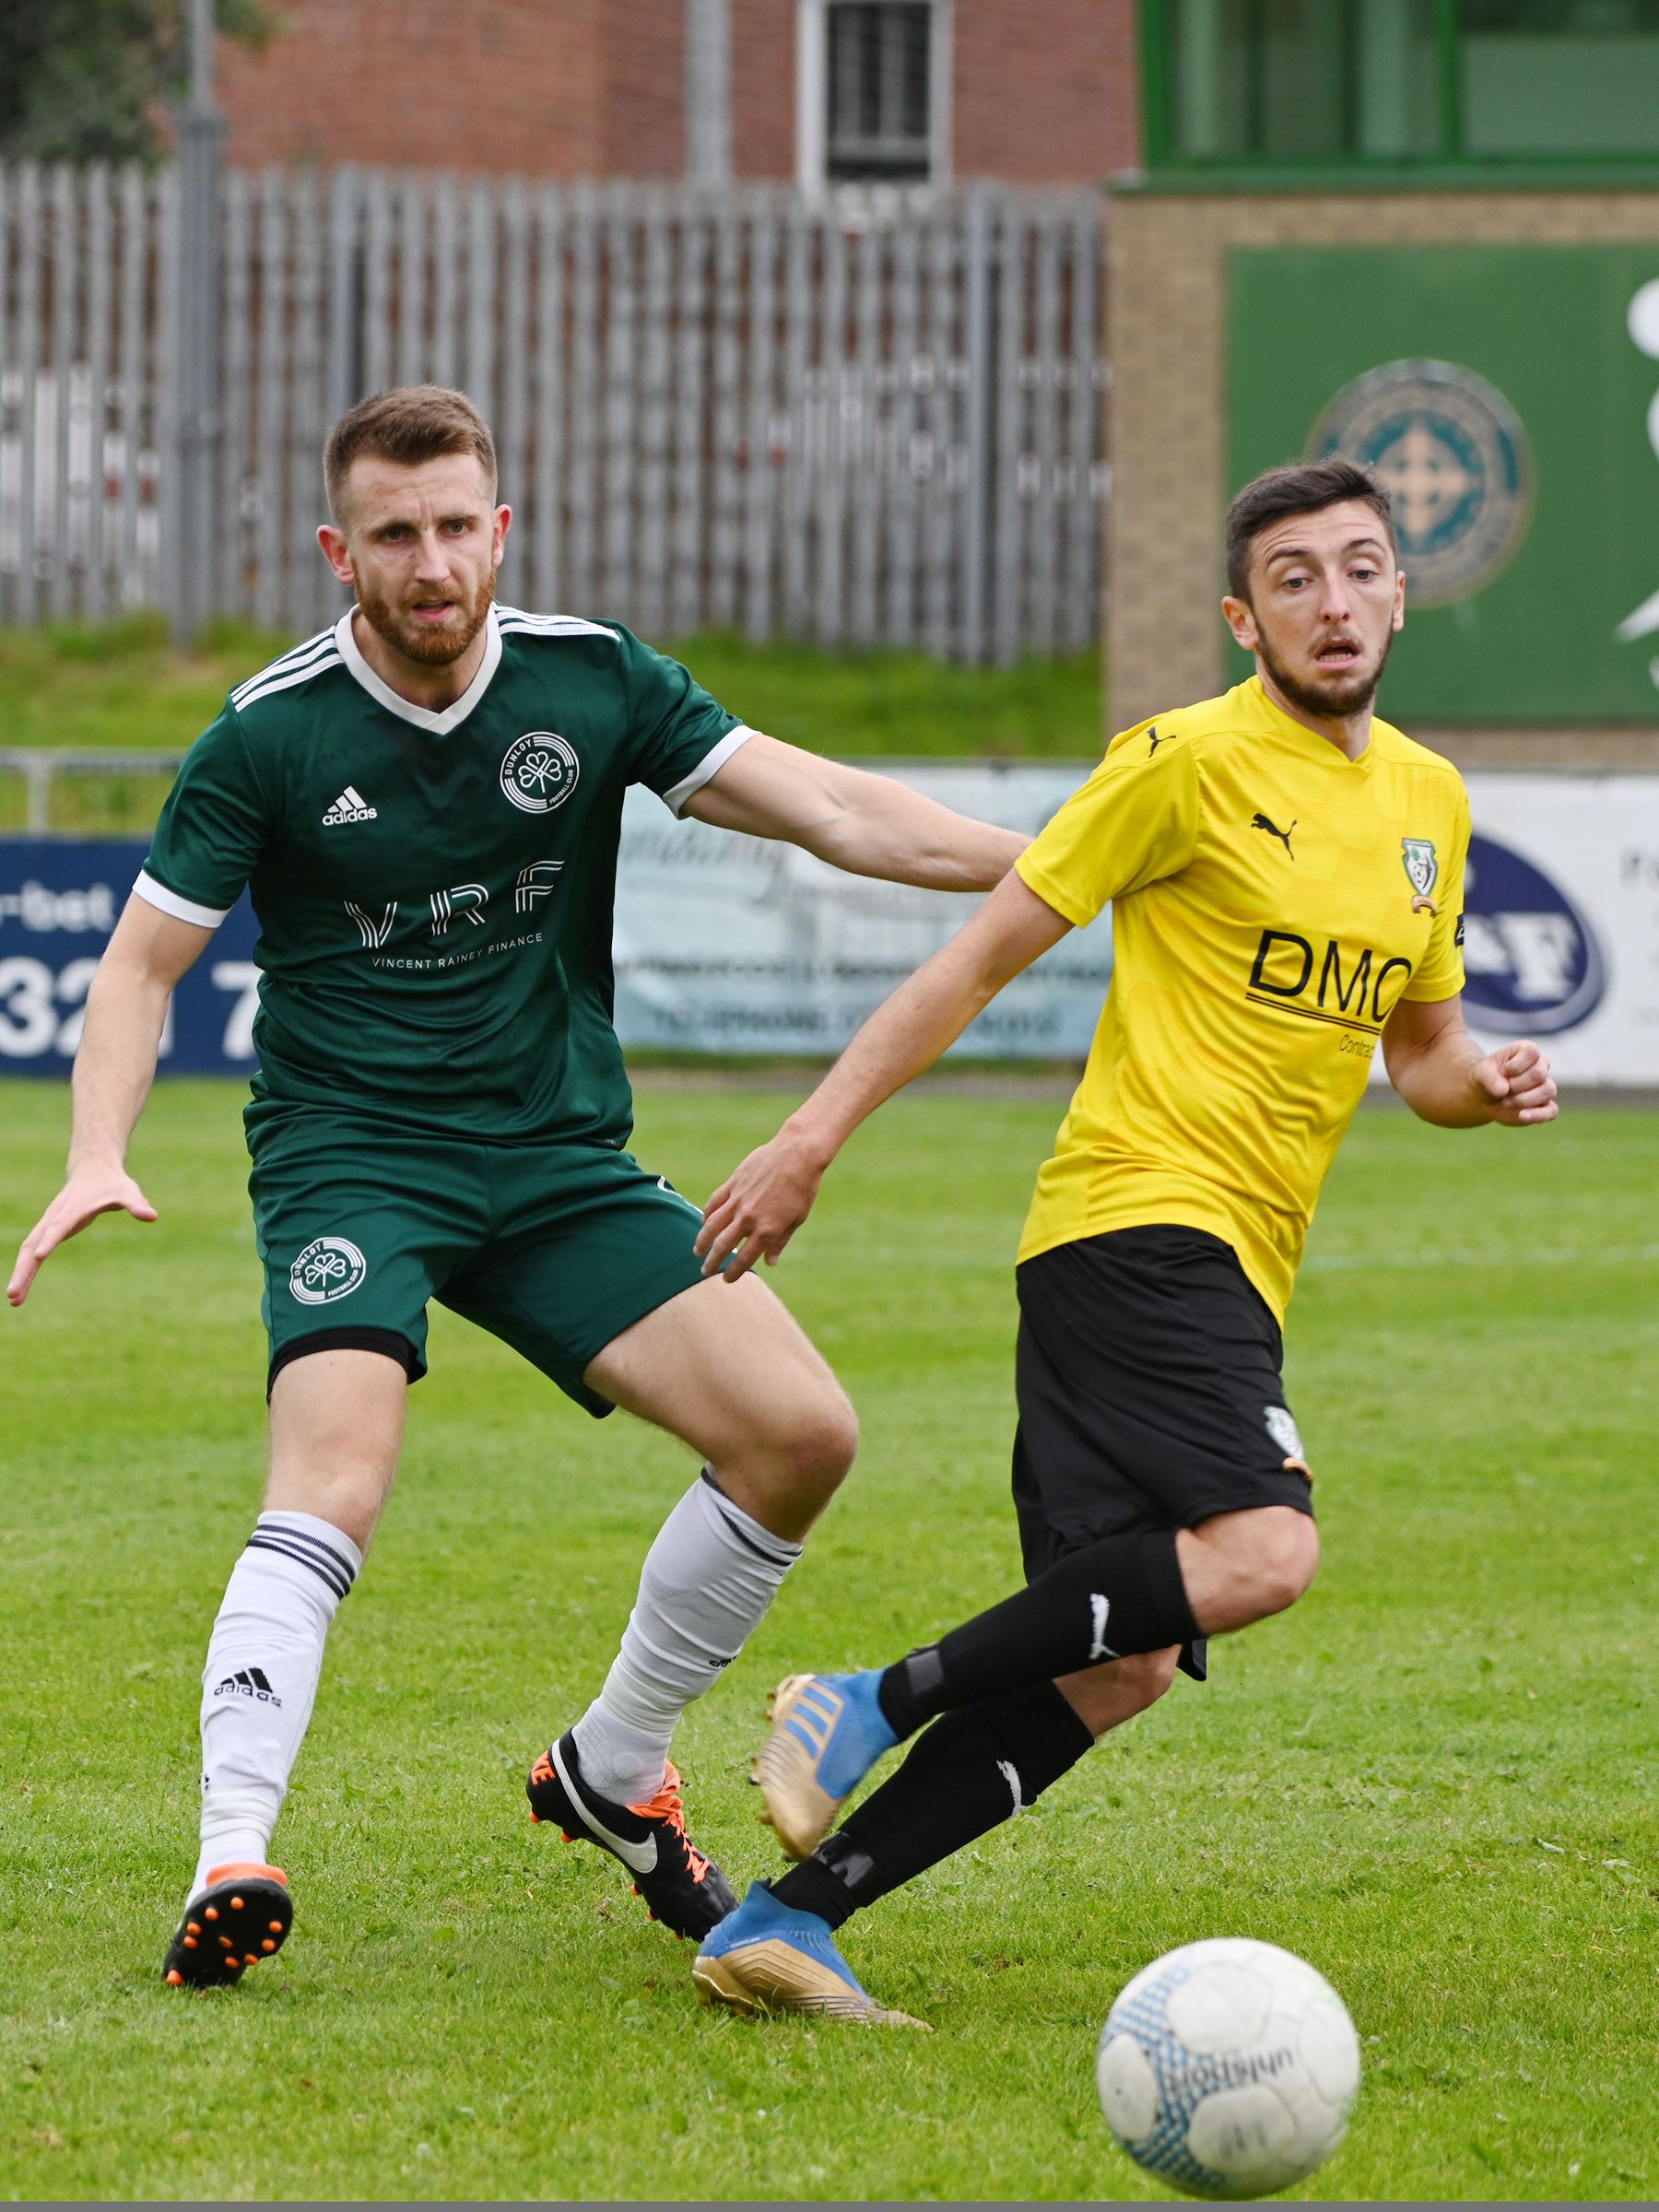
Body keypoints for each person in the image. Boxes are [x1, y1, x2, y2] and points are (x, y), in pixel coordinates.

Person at [6, 383, 1028, 1989]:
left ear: (501, 529)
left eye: (452, 528)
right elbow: (138, 971)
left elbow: (837, 811)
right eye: (392, 536)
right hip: (356, 1159)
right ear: (340, 553)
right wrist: (94, 1153)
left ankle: (613, 1769)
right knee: (333, 1480)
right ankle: (231, 1854)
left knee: (802, 1434)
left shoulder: (592, 680)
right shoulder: (268, 734)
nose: (429, 564)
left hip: (554, 1159)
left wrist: (1065, 861)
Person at [687, 457, 1560, 2026]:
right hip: (1142, 1221)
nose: (1336, 601)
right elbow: (974, 963)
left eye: (1362, 567)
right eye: (1295, 578)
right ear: (1243, 620)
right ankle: (862, 1700)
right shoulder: (1181, 763)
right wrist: (809, 1139)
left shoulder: (1429, 803)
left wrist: (1482, 1084)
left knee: (1122, 1662)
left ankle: (789, 1921)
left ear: (1400, 593)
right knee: (1267, 1552)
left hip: (1222, 1265)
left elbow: (1419, 1054)